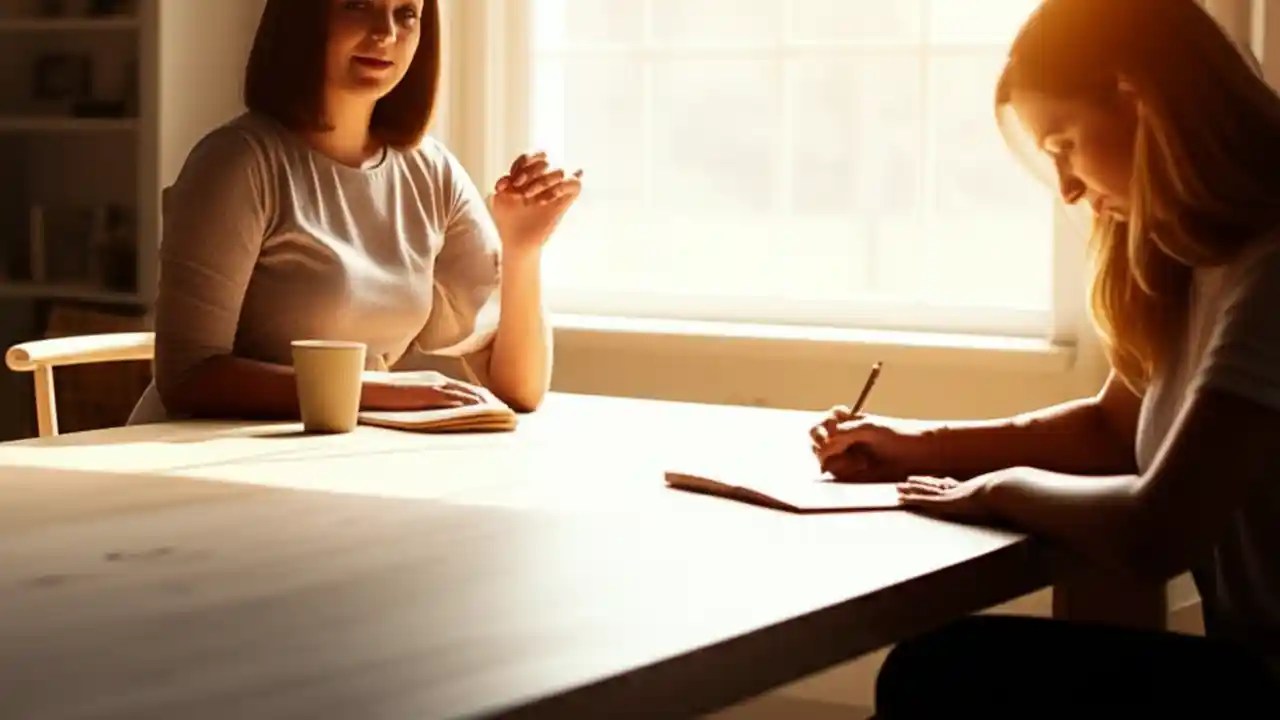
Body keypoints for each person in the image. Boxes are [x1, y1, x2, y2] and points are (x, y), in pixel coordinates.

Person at [809, 0, 1280, 715]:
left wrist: (1001, 489)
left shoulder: (1270, 270)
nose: (1066, 188)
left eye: (1063, 144)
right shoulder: (1202, 259)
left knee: (942, 676)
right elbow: (1113, 431)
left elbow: (1158, 529)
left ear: (1135, 98)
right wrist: (916, 447)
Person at [129, 0, 581, 424]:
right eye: (358, 4)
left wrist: (522, 249)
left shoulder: (432, 171)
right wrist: (380, 392)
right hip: (191, 456)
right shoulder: (237, 162)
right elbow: (187, 376)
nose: (385, 33)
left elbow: (520, 391)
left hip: (328, 453)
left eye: (406, 13)